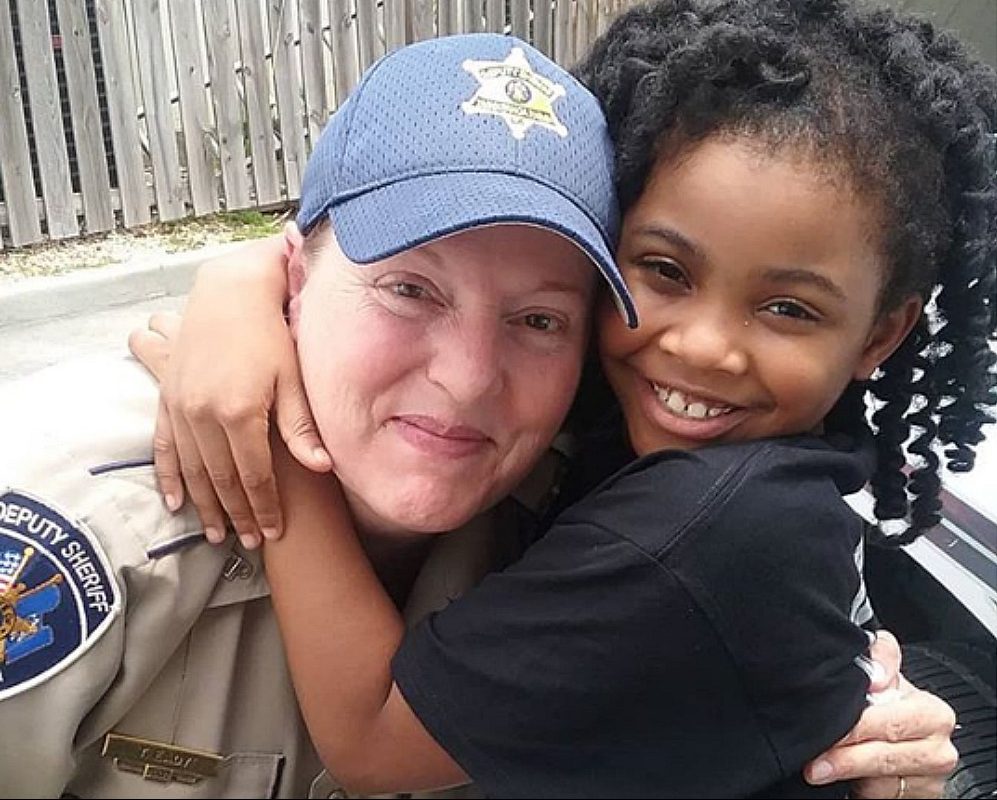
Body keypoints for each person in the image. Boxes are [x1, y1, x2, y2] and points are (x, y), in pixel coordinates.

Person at [128, 2, 995, 798]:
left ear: (880, 336)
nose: (700, 345)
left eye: (787, 308)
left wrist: (280, 435)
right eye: (663, 272)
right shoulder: (642, 421)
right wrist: (247, 287)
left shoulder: (700, 528)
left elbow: (368, 745)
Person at [0, 33, 635, 799]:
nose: (468, 380)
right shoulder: (79, 529)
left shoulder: (587, 521)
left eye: (538, 321)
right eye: (410, 290)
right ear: (293, 278)